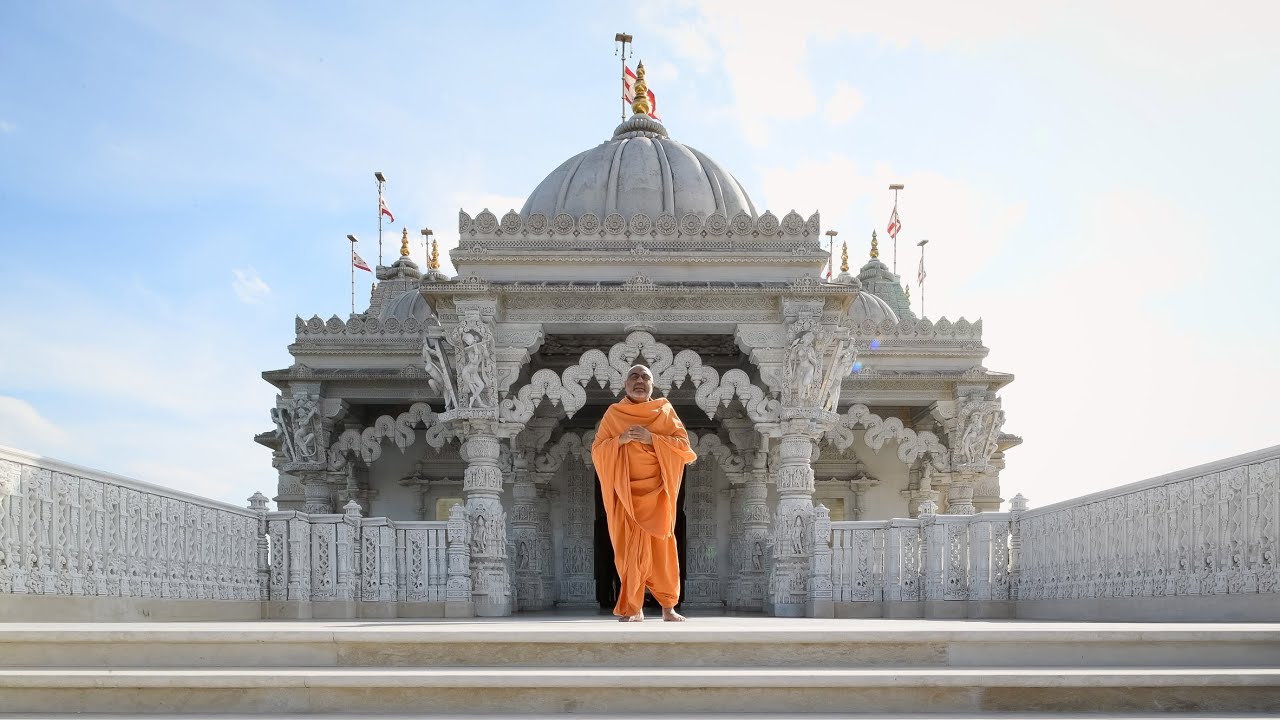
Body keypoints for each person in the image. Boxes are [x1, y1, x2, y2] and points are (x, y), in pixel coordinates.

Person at [591, 364, 698, 622]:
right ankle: (633, 607)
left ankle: (668, 608)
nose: (640, 381)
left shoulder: (664, 410)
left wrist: (653, 439)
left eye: (645, 377)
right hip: (627, 497)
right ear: (625, 383)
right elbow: (597, 451)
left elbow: (684, 448)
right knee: (628, 552)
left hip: (658, 495)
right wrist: (620, 441)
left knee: (663, 551)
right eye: (634, 376)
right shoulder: (614, 414)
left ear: (653, 384)